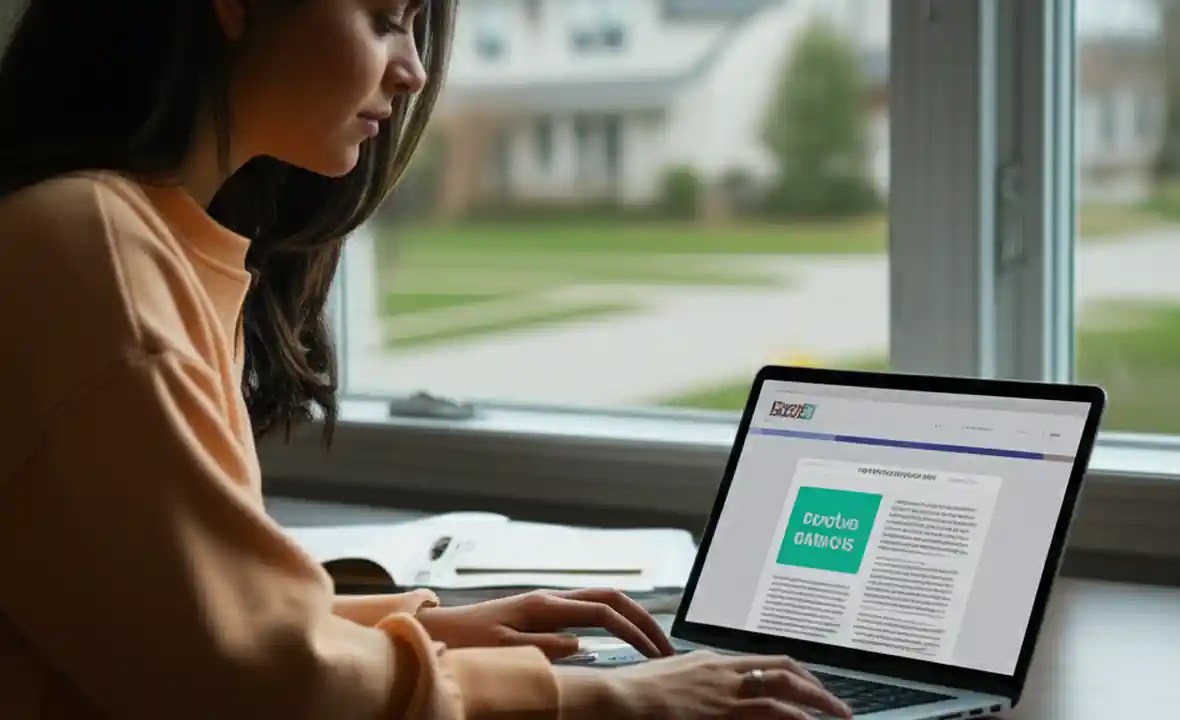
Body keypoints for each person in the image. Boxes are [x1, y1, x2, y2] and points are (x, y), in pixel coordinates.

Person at [0, 2, 853, 719]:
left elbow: (180, 617)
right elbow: (243, 674)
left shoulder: (157, 244)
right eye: (382, 20)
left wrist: (431, 628)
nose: (409, 71)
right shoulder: (92, 245)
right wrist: (614, 700)